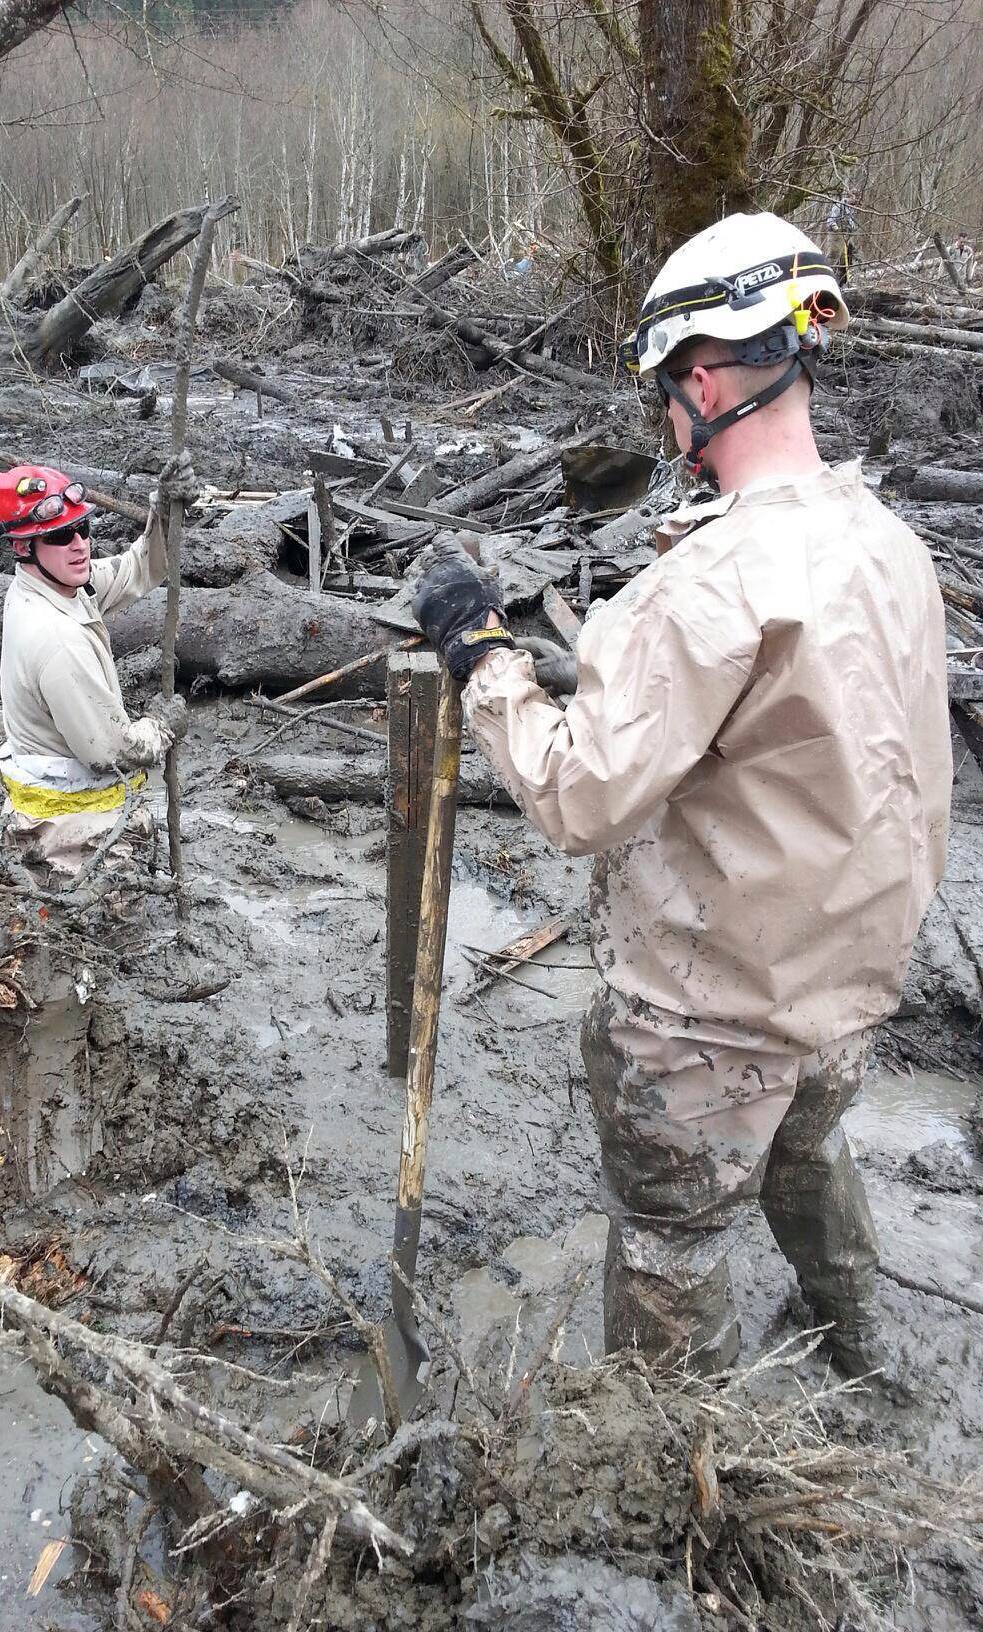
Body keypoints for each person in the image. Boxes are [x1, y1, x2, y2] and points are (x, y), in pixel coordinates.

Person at [411, 212, 952, 1391]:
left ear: (705, 381)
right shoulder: (893, 546)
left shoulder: (701, 585)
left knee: (670, 1252)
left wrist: (482, 655)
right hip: (846, 1000)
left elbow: (576, 795)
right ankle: (872, 1366)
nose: (667, 415)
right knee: (809, 1164)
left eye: (667, 389)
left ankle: (671, 1492)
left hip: (707, 1030)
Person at [0, 456, 197, 876]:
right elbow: (110, 752)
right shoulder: (57, 639)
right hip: (74, 836)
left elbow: (137, 568)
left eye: (82, 529)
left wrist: (167, 514)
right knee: (107, 932)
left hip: (53, 810)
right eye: (61, 536)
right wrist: (162, 727)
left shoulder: (55, 586)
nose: (79, 544)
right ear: (24, 547)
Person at [823, 194, 857, 287]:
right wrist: (837, 230)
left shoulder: (850, 208)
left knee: (846, 258)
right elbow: (831, 221)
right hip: (836, 235)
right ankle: (827, 278)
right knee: (834, 256)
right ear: (850, 197)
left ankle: (843, 283)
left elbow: (851, 222)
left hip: (846, 235)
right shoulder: (839, 205)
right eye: (855, 199)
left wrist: (851, 229)